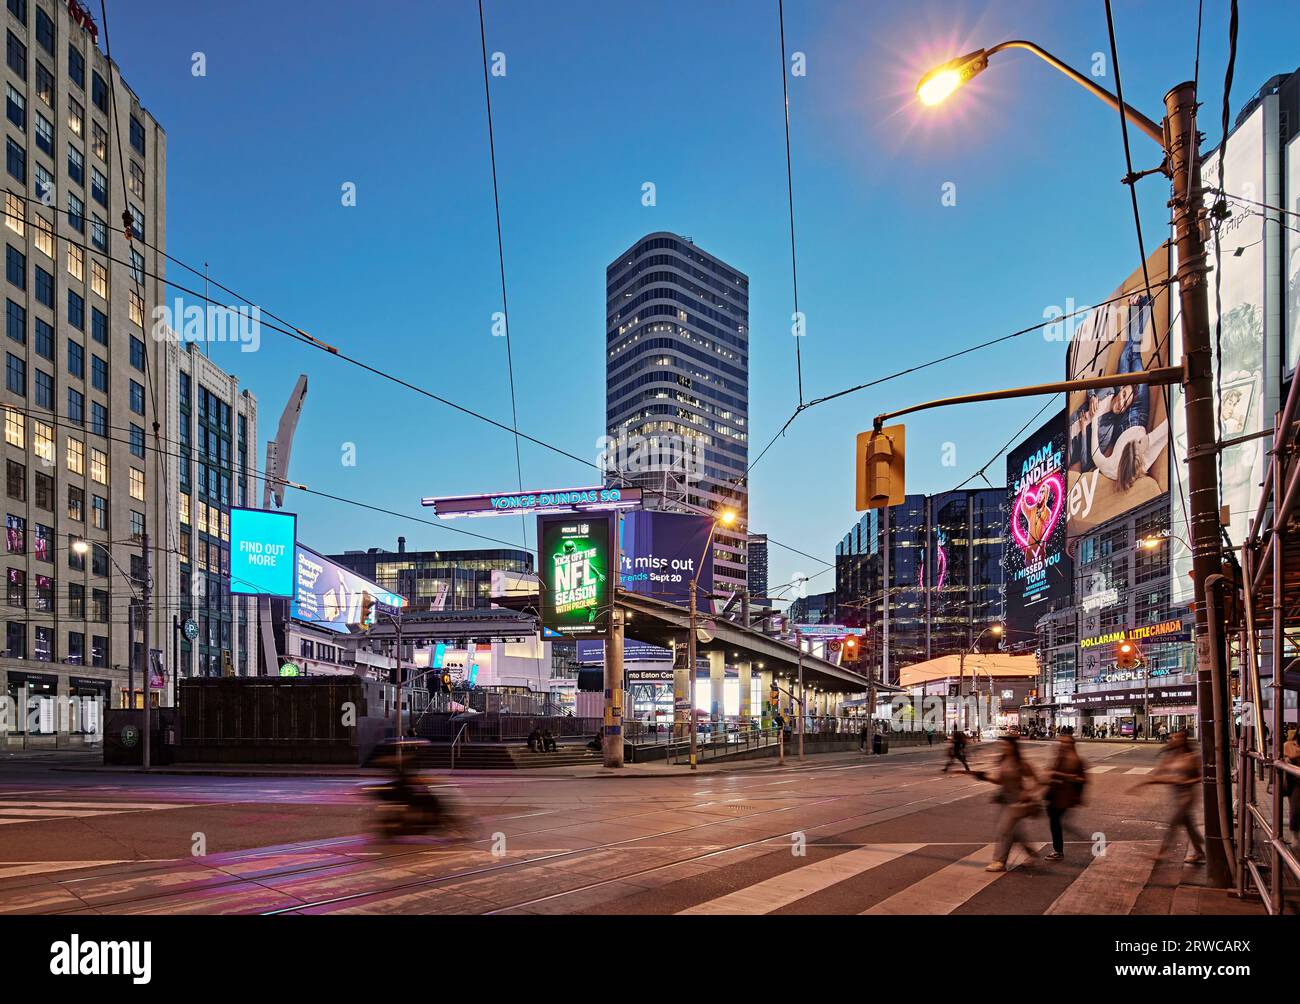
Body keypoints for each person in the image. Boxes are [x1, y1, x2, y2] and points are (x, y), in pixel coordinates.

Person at [1135, 730, 1205, 864]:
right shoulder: (1171, 757)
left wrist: (1184, 781)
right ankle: (1199, 851)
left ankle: (1161, 852)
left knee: (1173, 824)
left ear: (1184, 740)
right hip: (1176, 795)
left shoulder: (1191, 756)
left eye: (1177, 738)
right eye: (1173, 738)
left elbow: (1199, 777)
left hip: (1187, 796)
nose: (1174, 740)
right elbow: (1158, 773)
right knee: (1189, 825)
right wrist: (1143, 784)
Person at [976, 736, 1041, 872]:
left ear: (1013, 747)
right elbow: (1000, 780)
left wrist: (1029, 791)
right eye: (1003, 745)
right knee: (1015, 832)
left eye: (1007, 745)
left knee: (1004, 830)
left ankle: (999, 861)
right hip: (1004, 800)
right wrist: (984, 776)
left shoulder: (1021, 764)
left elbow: (1036, 780)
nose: (1004, 747)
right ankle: (1032, 854)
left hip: (1016, 802)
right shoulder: (1004, 761)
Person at [1043, 729, 1087, 860]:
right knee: (1055, 822)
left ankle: (1058, 851)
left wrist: (1064, 777)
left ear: (1071, 745)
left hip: (1064, 797)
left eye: (1065, 744)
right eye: (1061, 743)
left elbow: (1081, 780)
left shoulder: (1075, 760)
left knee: (1056, 823)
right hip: (1054, 795)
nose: (1062, 745)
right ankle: (1059, 849)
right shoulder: (1060, 757)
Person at [1283, 726, 1300, 847]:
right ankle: (1295, 836)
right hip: (1295, 782)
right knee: (1295, 810)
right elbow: (1282, 759)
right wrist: (1287, 760)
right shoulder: (1288, 745)